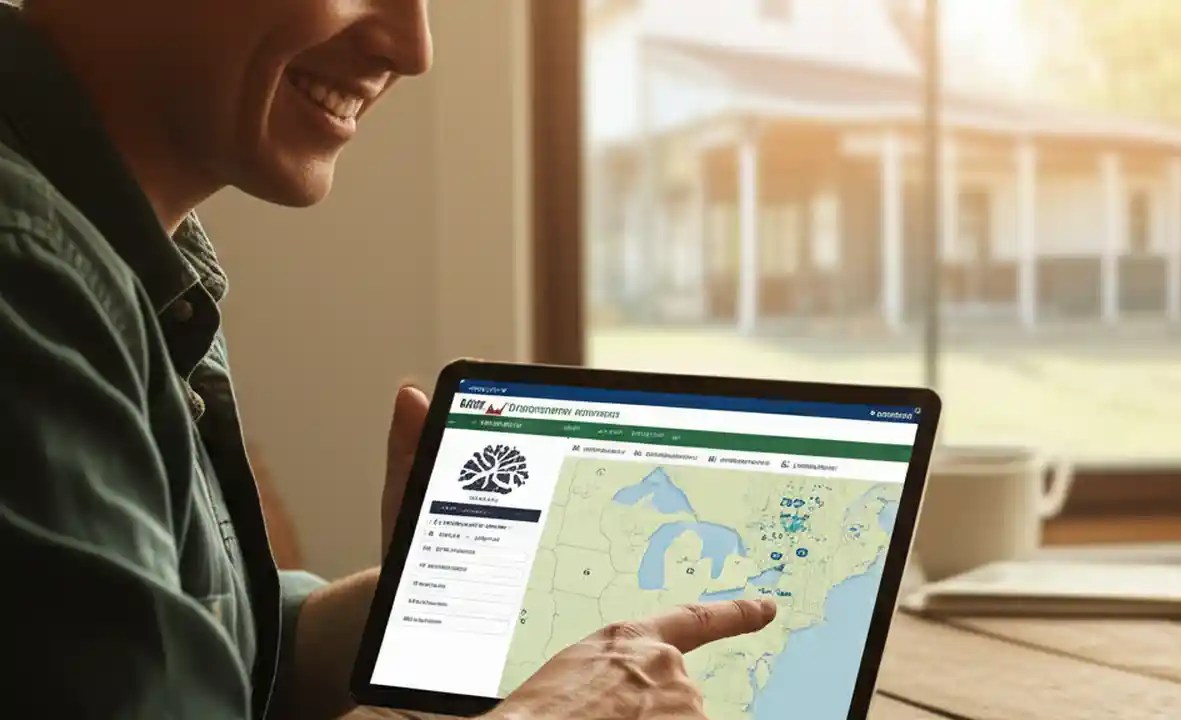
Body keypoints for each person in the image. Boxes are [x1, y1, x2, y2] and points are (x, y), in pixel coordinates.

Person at [0, 1, 776, 718]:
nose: (413, 47)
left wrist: (442, 606)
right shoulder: (26, 274)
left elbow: (205, 655)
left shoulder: (123, 252)